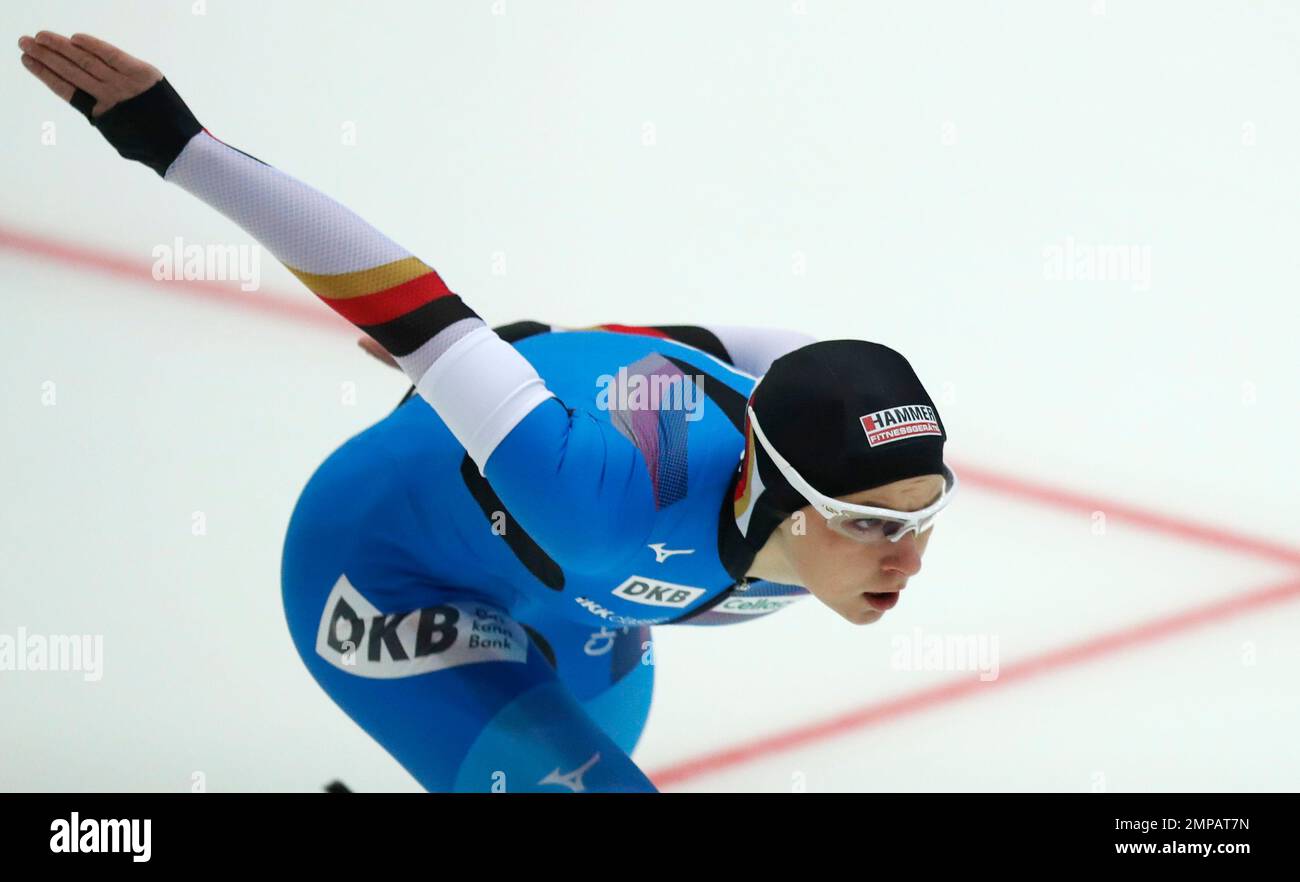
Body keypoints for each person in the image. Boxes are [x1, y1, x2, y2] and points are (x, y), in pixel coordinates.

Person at [18, 31, 957, 792]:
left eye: (923, 519)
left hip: (578, 602)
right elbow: (400, 298)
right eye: (874, 523)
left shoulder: (797, 411)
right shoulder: (603, 491)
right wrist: (177, 143)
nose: (909, 560)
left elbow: (720, 346)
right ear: (776, 498)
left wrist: (538, 339)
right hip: (389, 575)